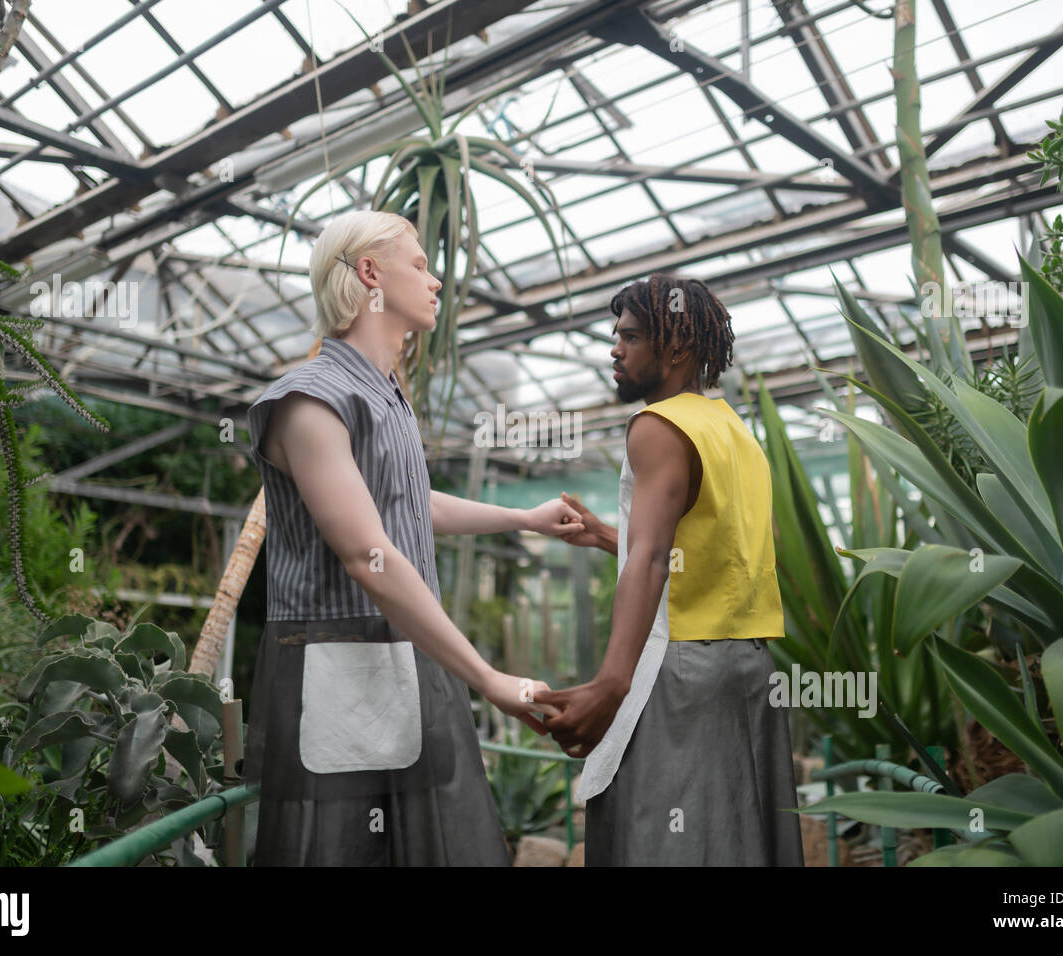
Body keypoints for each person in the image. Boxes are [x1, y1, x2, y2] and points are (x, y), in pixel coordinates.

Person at [243, 209, 580, 865]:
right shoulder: (311, 400)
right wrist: (487, 676)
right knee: (340, 852)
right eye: (421, 264)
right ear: (370, 273)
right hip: (341, 665)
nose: (435, 281)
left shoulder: (385, 396)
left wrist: (523, 519)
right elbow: (366, 558)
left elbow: (408, 504)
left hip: (404, 657)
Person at [541, 273, 805, 866]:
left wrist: (612, 683)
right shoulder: (734, 430)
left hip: (678, 667)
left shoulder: (657, 427)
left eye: (631, 337)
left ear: (677, 348)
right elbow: (715, 552)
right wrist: (610, 537)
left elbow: (656, 557)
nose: (615, 349)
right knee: (733, 835)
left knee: (658, 836)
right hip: (746, 668)